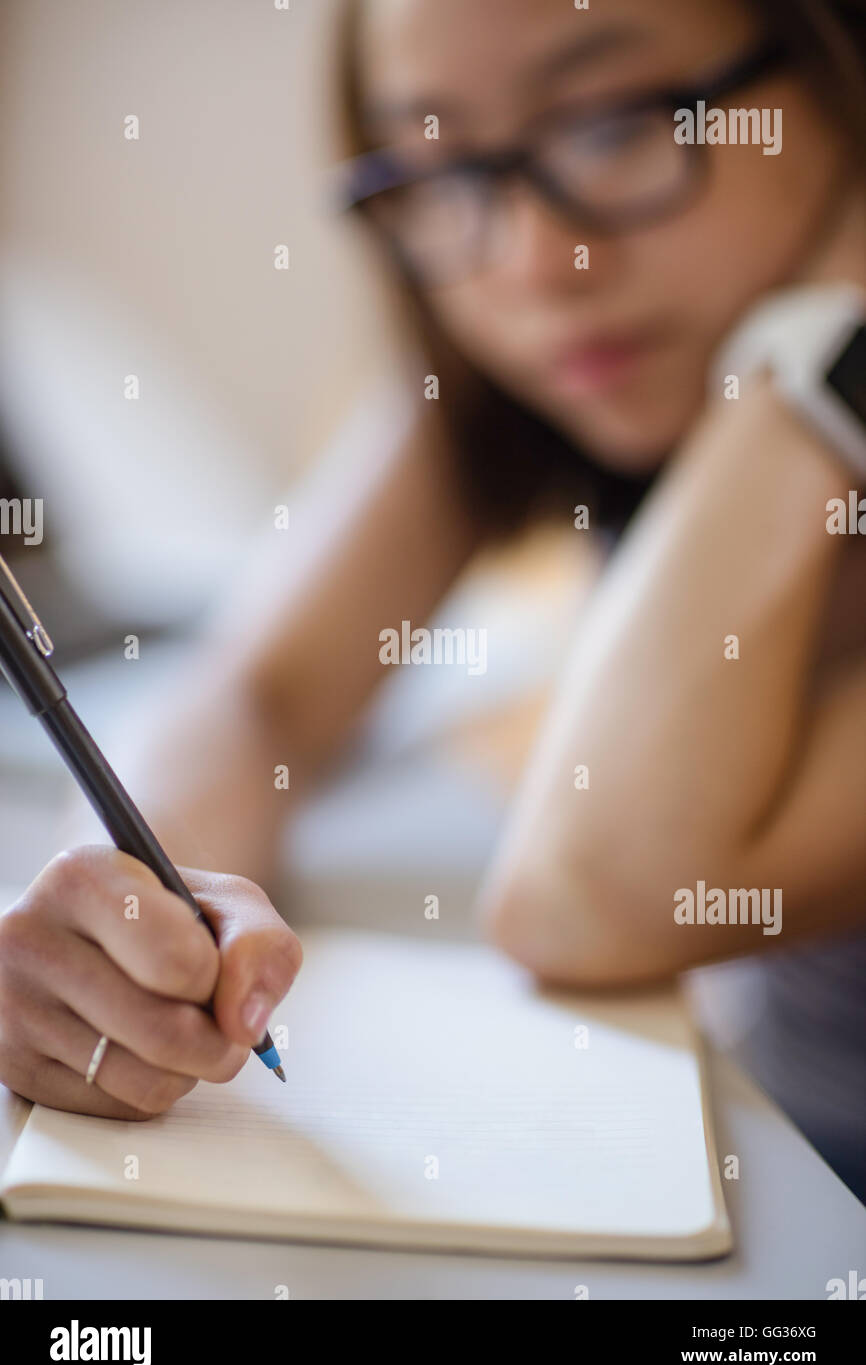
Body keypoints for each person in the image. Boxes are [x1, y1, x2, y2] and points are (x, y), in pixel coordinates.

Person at [1, 0, 864, 1197]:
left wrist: (818, 363)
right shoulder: (546, 356)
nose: (527, 262)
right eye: (441, 167)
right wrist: (121, 924)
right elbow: (253, 694)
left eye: (614, 124)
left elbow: (592, 897)